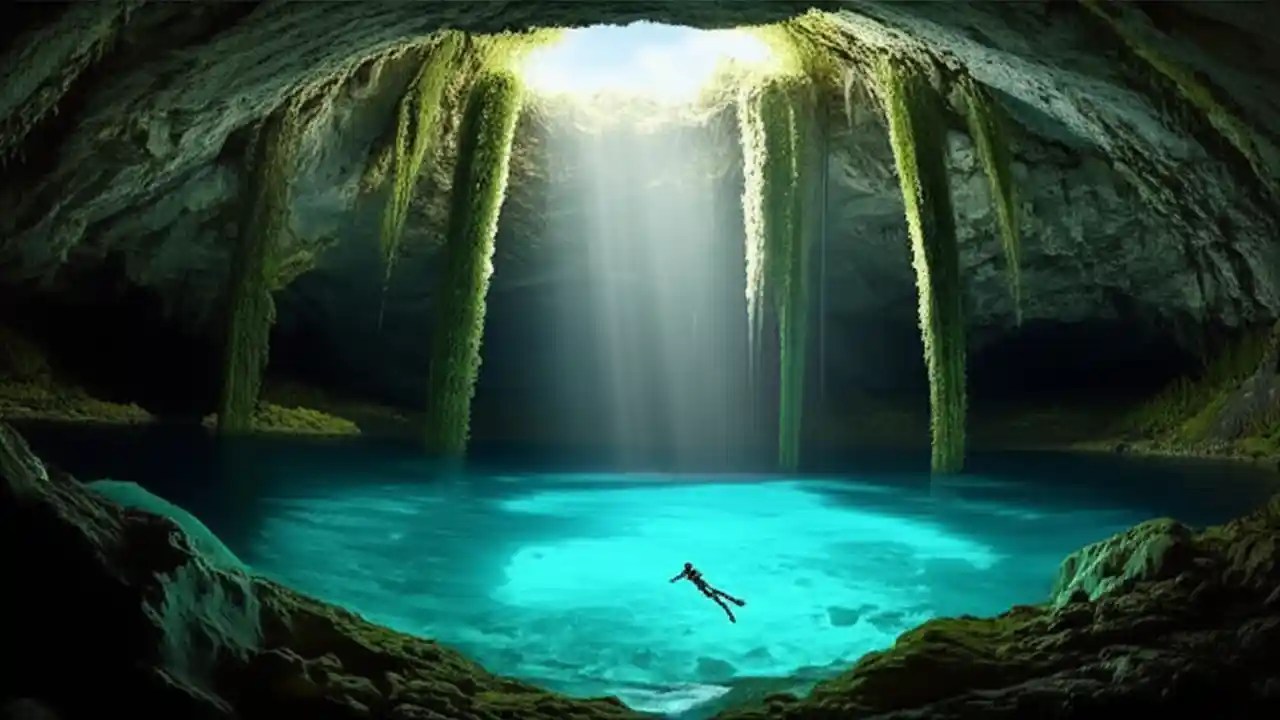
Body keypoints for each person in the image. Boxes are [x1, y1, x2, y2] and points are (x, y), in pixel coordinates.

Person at [669, 562, 746, 623]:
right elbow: (681, 576)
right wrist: (674, 579)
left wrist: (687, 577)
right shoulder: (686, 572)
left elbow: (698, 574)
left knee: (720, 596)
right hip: (704, 587)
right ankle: (731, 610)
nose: (689, 568)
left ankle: (733, 606)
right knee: (719, 598)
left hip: (704, 586)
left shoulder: (692, 571)